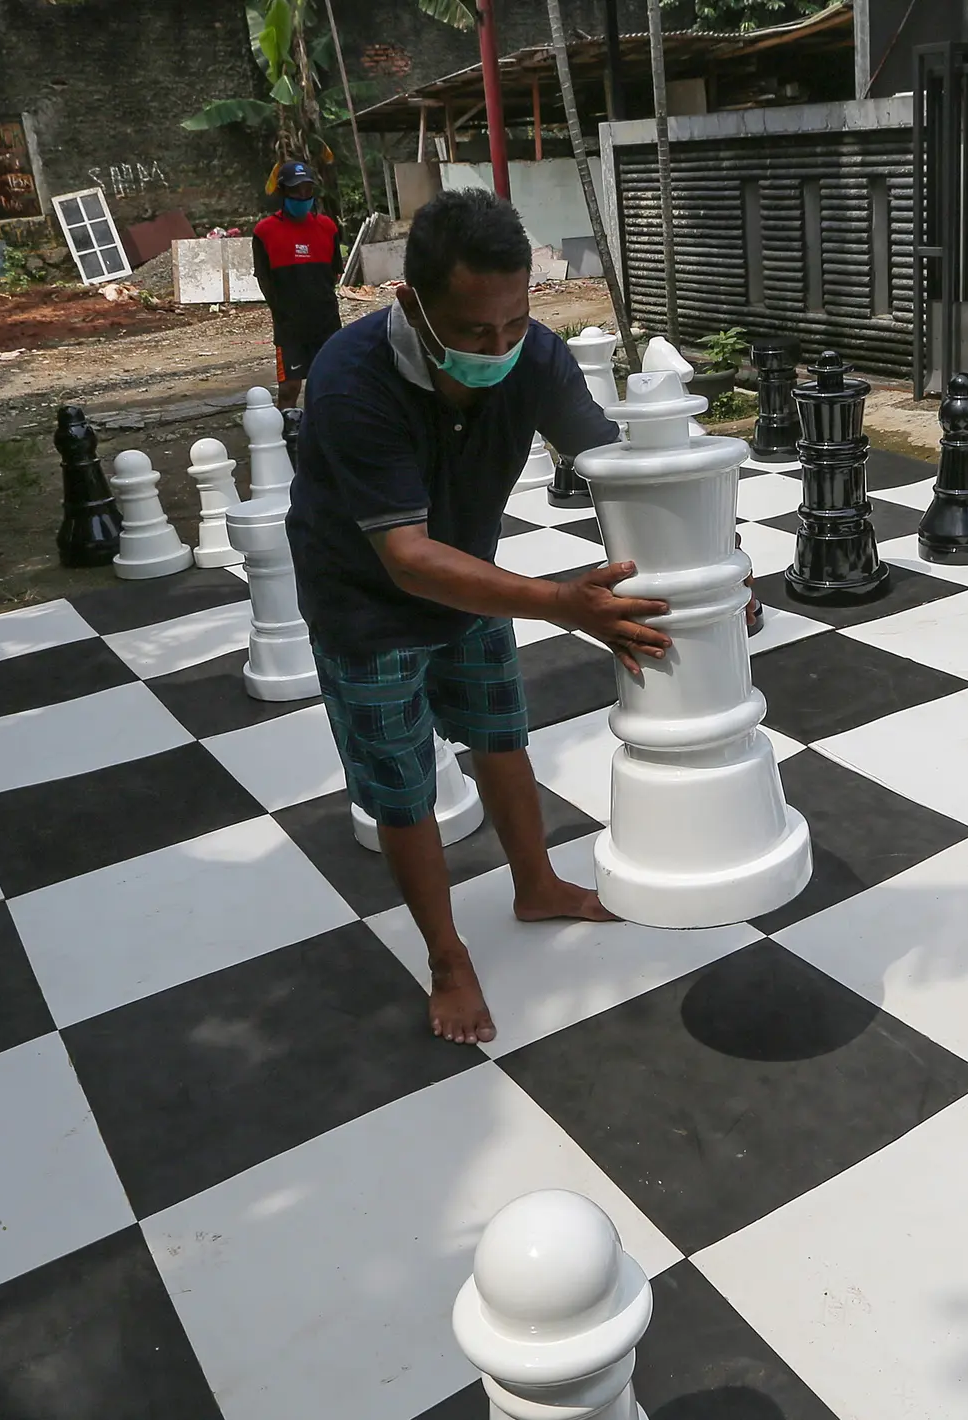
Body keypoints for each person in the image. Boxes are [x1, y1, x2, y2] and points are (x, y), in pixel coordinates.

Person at [288, 189, 667, 1046]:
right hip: (365, 604)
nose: (499, 348)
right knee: (403, 785)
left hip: (472, 583)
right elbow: (407, 558)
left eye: (514, 323)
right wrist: (564, 606)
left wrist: (705, 564)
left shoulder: (534, 355)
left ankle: (535, 884)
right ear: (410, 303)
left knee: (500, 734)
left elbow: (608, 464)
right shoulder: (350, 379)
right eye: (473, 332)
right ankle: (447, 956)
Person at [253, 158, 344, 409]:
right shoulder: (265, 232)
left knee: (331, 382)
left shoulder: (327, 227)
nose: (303, 196)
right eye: (296, 190)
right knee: (289, 388)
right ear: (283, 192)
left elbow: (335, 272)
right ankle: (287, 436)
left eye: (307, 190)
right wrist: (282, 311)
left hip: (326, 323)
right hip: (290, 327)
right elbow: (264, 278)